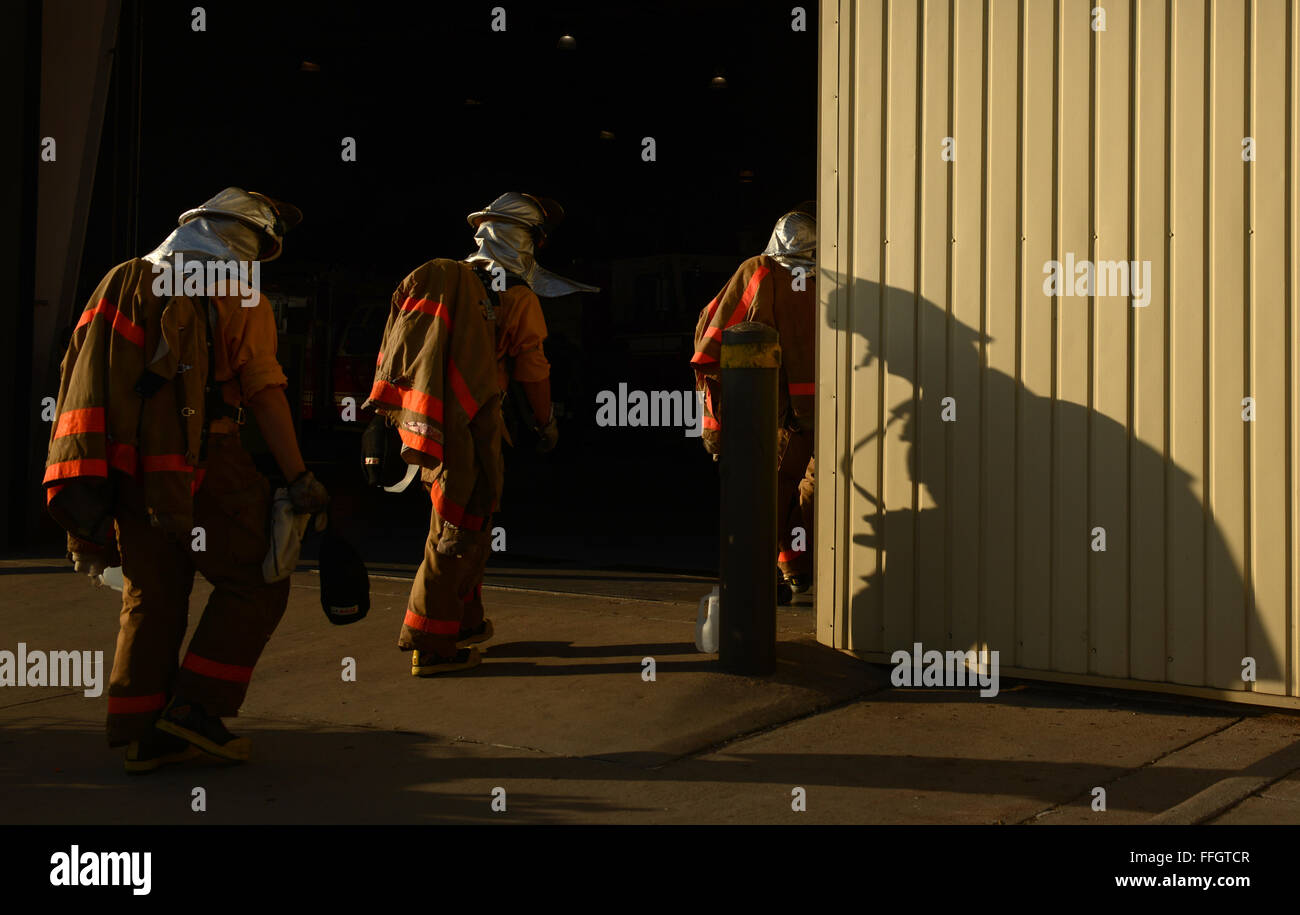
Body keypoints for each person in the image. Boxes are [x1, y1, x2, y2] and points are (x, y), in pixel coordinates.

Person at [43, 188, 329, 773]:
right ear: (252, 241)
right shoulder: (241, 292)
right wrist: (298, 475)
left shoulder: (126, 279)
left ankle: (142, 732)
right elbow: (265, 392)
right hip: (208, 462)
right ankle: (196, 709)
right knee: (257, 580)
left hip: (134, 472)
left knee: (153, 596)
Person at [364, 192, 595, 676]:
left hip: (423, 423)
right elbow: (533, 371)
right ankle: (429, 644)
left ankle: (463, 623)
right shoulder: (518, 296)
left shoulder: (447, 281)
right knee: (458, 530)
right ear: (529, 241)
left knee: (468, 528)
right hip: (470, 428)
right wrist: (546, 423)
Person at [691, 202, 817, 597]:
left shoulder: (823, 279)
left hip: (822, 416)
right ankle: (759, 584)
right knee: (771, 497)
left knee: (805, 496)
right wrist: (719, 431)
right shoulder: (762, 271)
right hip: (779, 418)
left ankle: (791, 568)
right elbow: (714, 354)